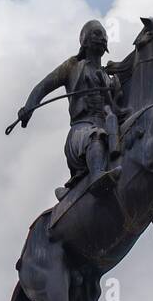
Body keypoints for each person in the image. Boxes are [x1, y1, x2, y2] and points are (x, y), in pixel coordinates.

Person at [16, 20, 123, 198]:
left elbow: (119, 108)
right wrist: (29, 107)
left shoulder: (108, 77)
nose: (103, 38)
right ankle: (97, 177)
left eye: (104, 35)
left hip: (109, 127)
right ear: (85, 41)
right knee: (96, 136)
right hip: (81, 130)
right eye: (97, 34)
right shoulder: (72, 66)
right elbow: (43, 87)